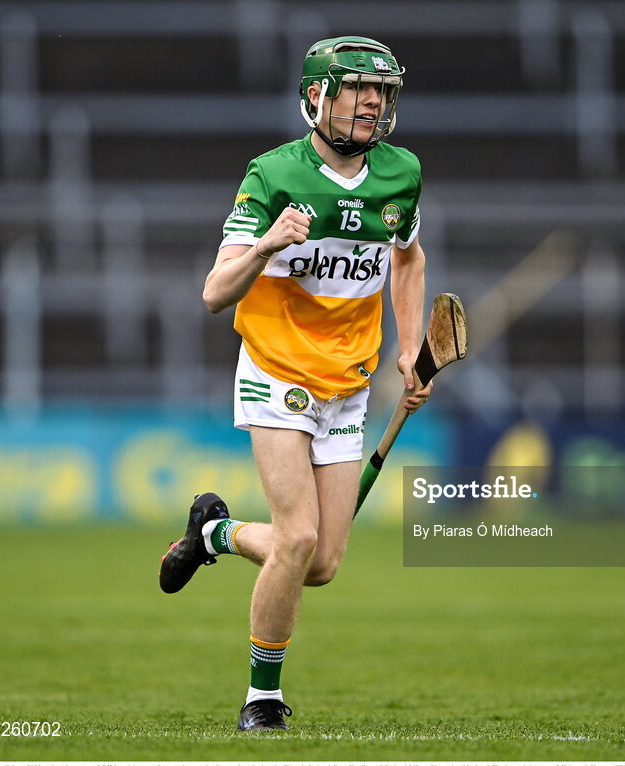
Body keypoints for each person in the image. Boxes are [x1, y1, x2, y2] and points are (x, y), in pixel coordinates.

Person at [158, 36, 431, 732]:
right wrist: (267, 245)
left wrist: (409, 348)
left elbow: (407, 259)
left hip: (348, 383)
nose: (372, 104)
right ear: (316, 96)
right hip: (276, 373)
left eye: (381, 92)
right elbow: (215, 293)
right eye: (357, 90)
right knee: (299, 535)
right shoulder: (272, 174)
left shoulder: (401, 174)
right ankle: (262, 699)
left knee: (320, 562)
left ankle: (214, 533)